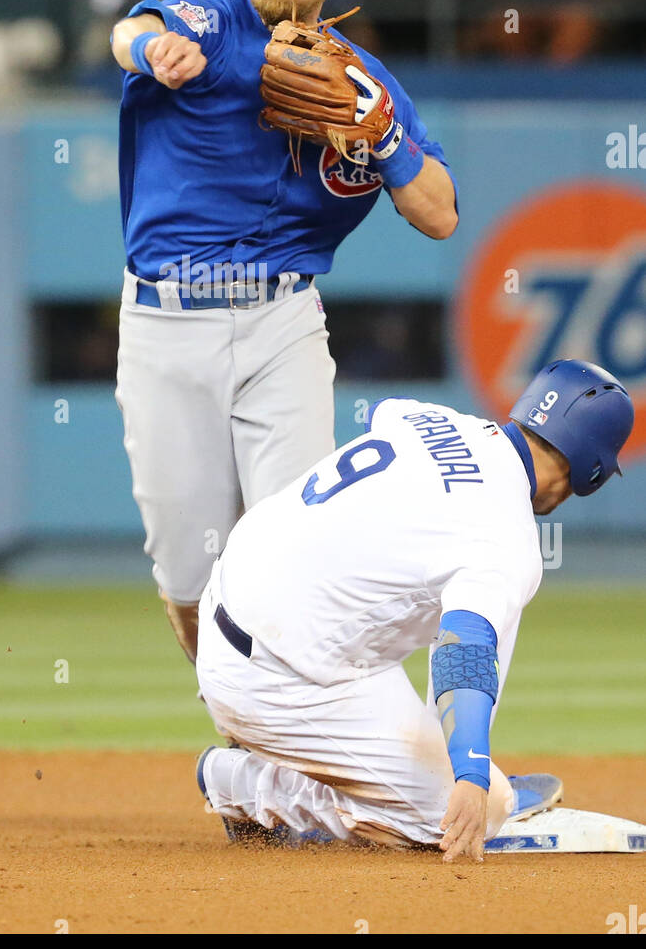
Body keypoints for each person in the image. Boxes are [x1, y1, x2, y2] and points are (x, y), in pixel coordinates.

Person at [110, 0, 458, 663]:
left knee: (297, 550)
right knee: (188, 569)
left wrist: (382, 137)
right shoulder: (210, 25)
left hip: (281, 323)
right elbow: (128, 30)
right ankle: (236, 724)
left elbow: (439, 213)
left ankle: (303, 746)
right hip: (167, 323)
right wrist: (148, 50)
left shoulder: (368, 81)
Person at [194, 359, 634, 862]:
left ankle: (438, 765)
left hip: (231, 605)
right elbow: (462, 651)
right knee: (467, 815)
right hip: (275, 681)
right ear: (592, 470)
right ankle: (247, 785)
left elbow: (384, 412)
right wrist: (469, 777)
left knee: (484, 591)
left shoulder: (436, 419)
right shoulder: (505, 534)